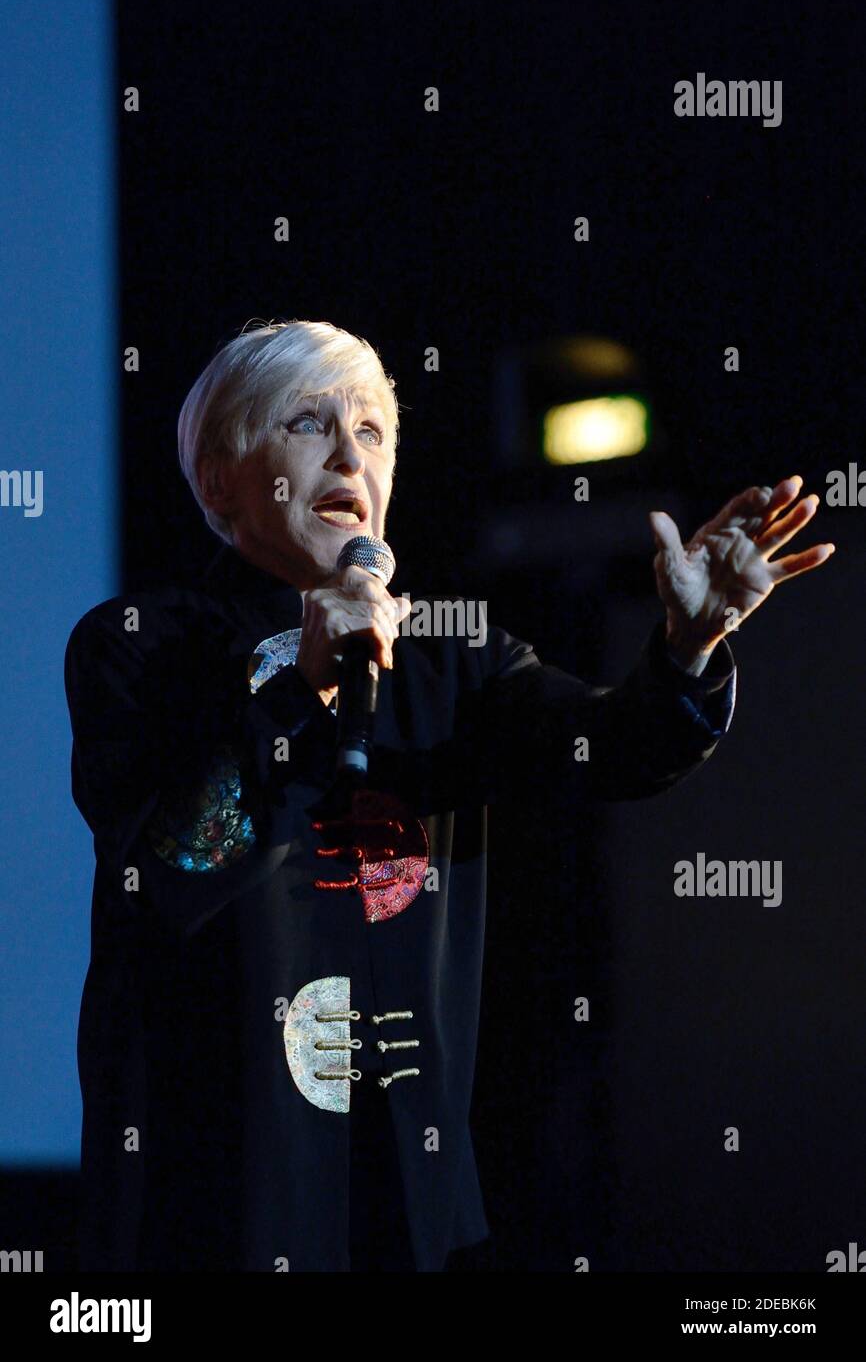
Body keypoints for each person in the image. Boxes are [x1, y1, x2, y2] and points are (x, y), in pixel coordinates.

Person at [64, 318, 834, 1272]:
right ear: (221, 477)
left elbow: (613, 748)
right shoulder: (142, 647)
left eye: (374, 432)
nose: (352, 453)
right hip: (211, 1215)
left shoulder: (452, 663)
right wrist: (305, 691)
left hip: (415, 1218)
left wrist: (687, 649)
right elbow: (173, 868)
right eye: (309, 424)